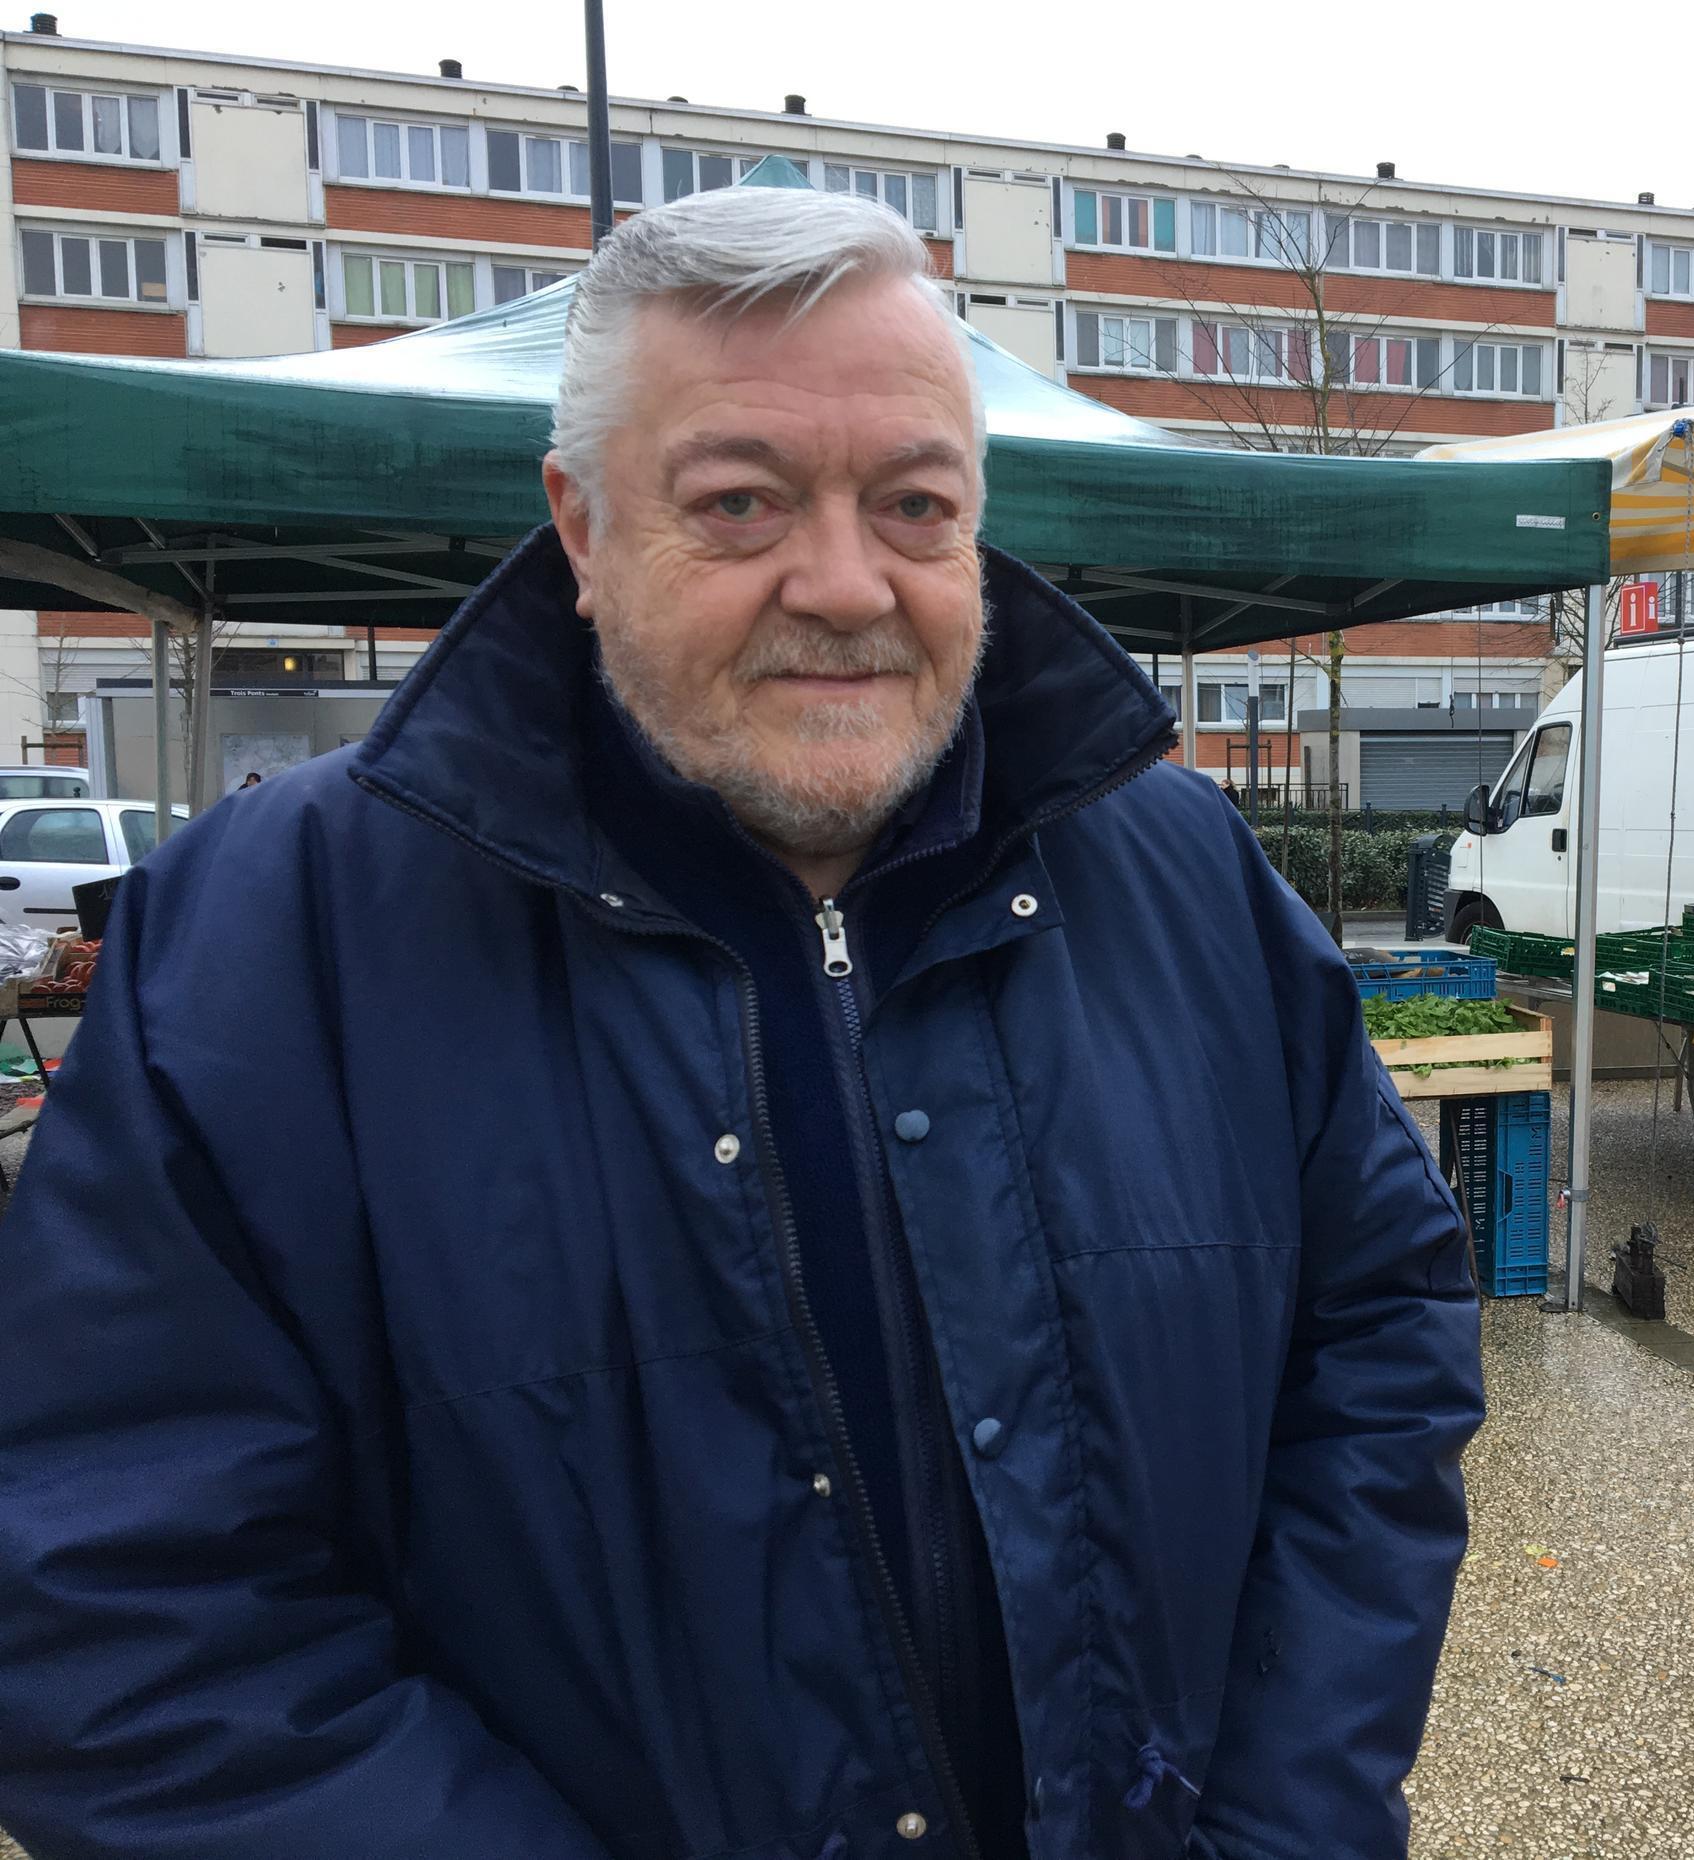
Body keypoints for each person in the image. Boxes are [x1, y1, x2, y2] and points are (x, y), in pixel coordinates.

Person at [0, 186, 1483, 1860]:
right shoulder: (276, 938)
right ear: (579, 527)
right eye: (741, 502)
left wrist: (1288, 1821)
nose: (844, 585)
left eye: (915, 505)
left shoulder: (1184, 874)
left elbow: (1380, 1336)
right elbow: (117, 1602)